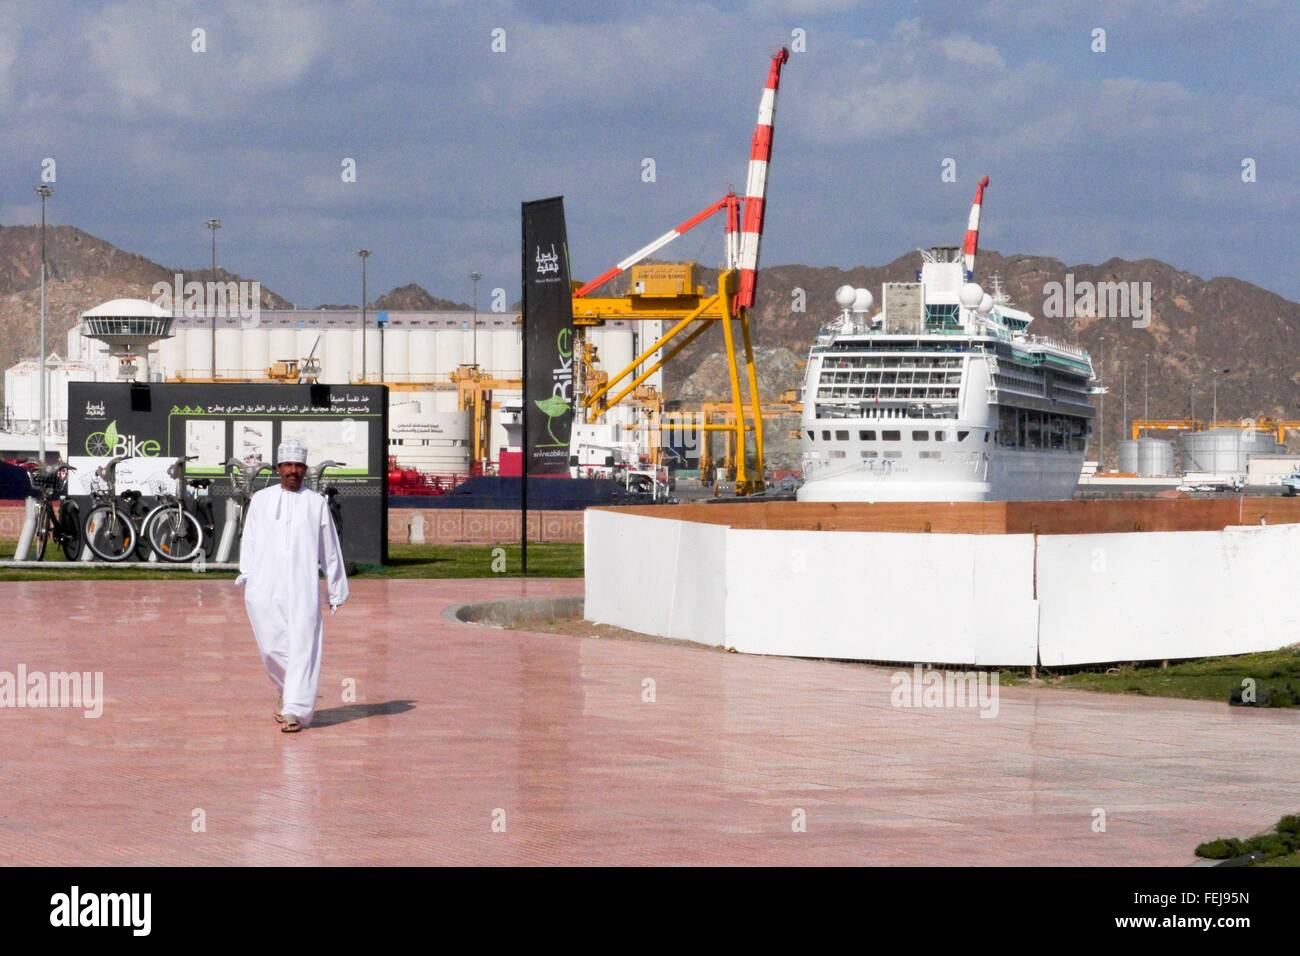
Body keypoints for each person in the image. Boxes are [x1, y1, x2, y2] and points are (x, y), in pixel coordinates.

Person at [235, 438, 348, 733]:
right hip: (264, 584)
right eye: (287, 465)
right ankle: (286, 691)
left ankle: (294, 710)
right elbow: (249, 539)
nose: (293, 471)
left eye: (298, 466)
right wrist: (246, 573)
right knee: (271, 647)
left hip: (302, 585)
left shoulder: (316, 503)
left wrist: (335, 588)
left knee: (303, 646)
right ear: (278, 468)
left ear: (305, 468)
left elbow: (330, 548)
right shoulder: (261, 500)